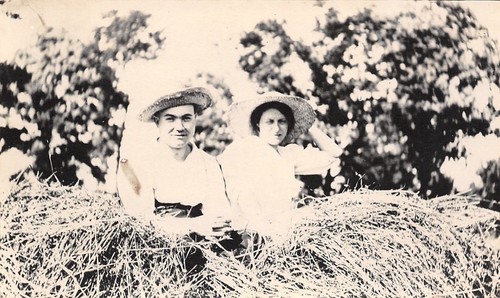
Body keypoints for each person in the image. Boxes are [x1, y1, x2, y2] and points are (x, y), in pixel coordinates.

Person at [218, 92, 343, 237]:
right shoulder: (245, 148)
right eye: (269, 121)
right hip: (252, 230)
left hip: (281, 228)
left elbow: (334, 153)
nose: (277, 129)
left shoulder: (288, 154)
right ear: (258, 123)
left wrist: (309, 126)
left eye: (282, 121)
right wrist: (265, 230)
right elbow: (240, 193)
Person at [117, 87, 232, 240]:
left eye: (186, 118)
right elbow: (140, 221)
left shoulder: (208, 164)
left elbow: (219, 212)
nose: (179, 128)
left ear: (195, 118)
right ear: (157, 121)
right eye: (170, 119)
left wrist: (217, 226)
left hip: (205, 244)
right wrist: (194, 226)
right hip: (157, 246)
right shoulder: (136, 164)